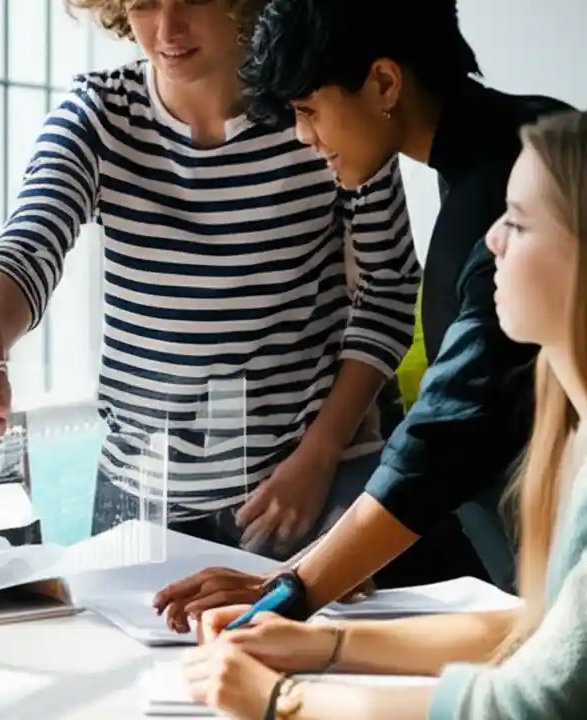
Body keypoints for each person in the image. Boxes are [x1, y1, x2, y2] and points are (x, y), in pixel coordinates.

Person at [0, 0, 420, 562]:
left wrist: (319, 455)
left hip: (306, 483)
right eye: (142, 5)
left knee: (298, 648)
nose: (166, 31)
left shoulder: (321, 109)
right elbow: (27, 244)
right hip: (140, 495)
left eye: (190, 0)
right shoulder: (99, 114)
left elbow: (389, 286)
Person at [154, 0, 574, 633]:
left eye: (308, 110)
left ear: (383, 83)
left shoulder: (515, 180)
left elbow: (453, 429)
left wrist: (288, 590)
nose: (302, 135)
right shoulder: (524, 139)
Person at [182, 108, 587, 720]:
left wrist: (283, 700)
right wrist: (318, 643)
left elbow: (532, 702)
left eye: (521, 223)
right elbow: (539, 633)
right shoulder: (573, 441)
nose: (492, 241)